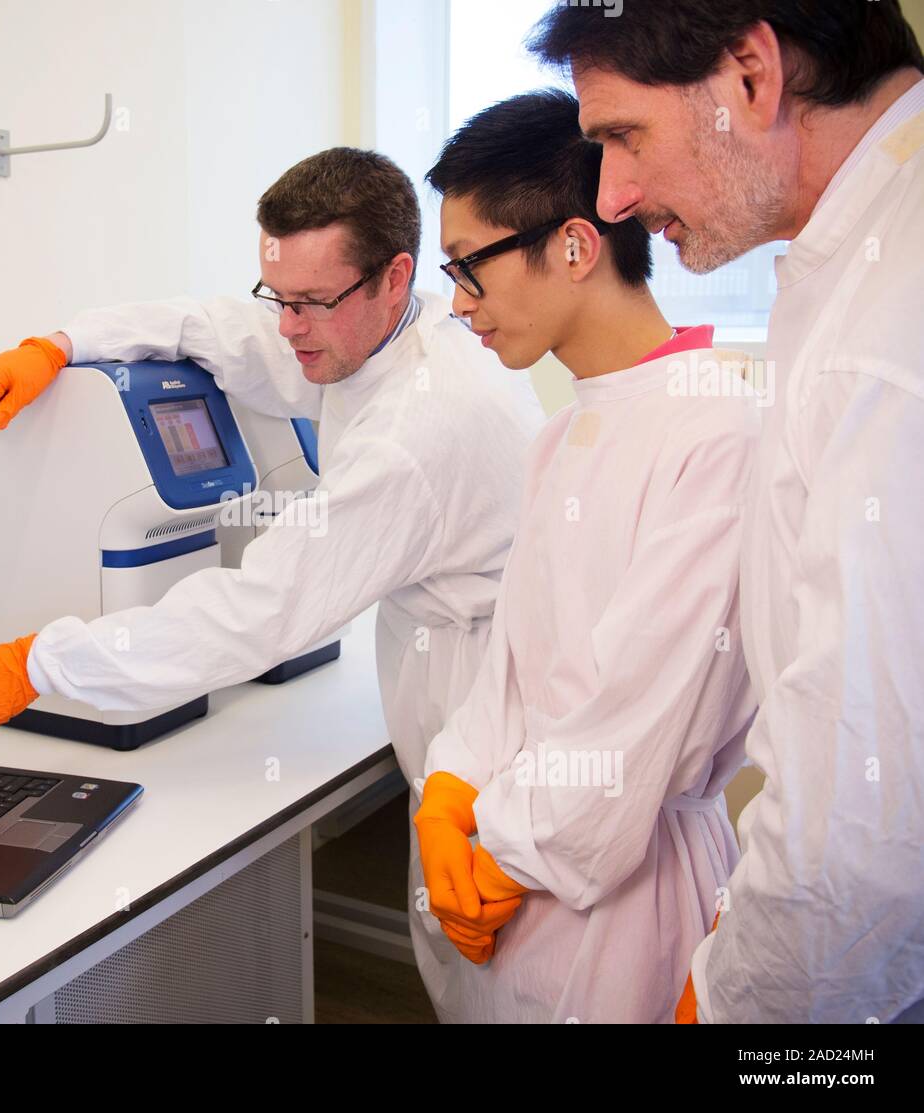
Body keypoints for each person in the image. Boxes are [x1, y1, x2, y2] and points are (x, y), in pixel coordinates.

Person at [0, 147, 545, 1017]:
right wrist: (64, 343)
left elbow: (256, 612)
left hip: (502, 762)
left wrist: (36, 664)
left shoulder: (417, 427)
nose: (288, 326)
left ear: (394, 276)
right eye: (279, 295)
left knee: (513, 999)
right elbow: (210, 327)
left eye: (312, 303)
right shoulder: (379, 334)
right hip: (456, 711)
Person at [530, 0, 924, 1023]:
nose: (612, 197)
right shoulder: (861, 255)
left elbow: (861, 817)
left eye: (623, 137)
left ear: (751, 74)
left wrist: (733, 1001)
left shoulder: (879, 336)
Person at [416, 89, 760, 1023]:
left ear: (573, 245)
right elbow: (512, 678)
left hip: (629, 901)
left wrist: (501, 850)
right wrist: (449, 788)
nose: (459, 305)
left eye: (470, 268)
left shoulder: (715, 433)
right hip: (518, 882)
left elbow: (631, 727)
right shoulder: (557, 437)